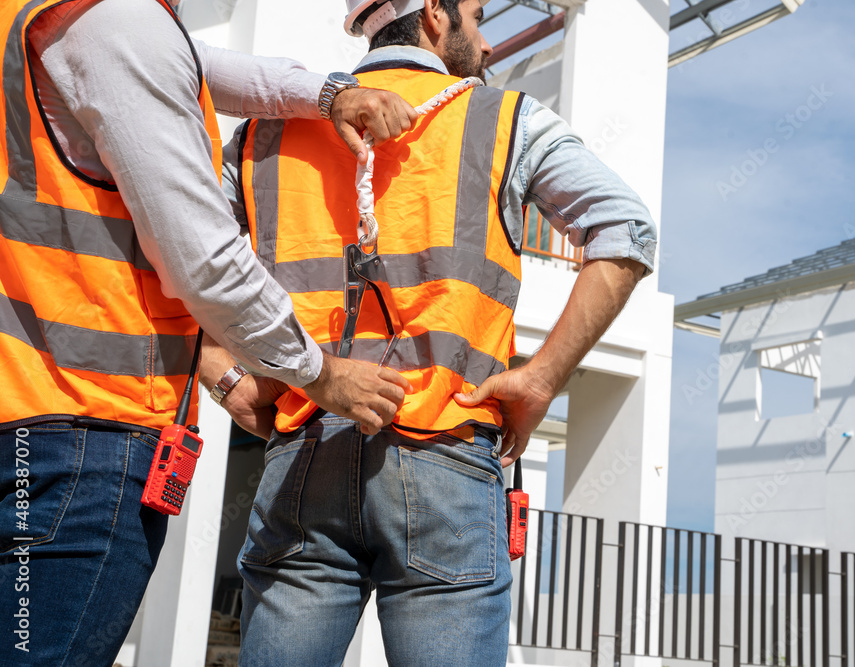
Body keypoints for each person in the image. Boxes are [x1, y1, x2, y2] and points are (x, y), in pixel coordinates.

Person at [208, 0, 658, 663]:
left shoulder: (261, 136)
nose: (487, 42)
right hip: (445, 450)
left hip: (304, 450)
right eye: (477, 15)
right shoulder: (504, 120)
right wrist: (541, 378)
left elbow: (168, 251)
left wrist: (221, 371)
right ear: (434, 18)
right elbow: (628, 230)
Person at [0, 0, 418, 664]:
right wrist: (319, 374)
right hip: (83, 439)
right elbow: (204, 261)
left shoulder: (36, 22)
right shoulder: (119, 22)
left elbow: (203, 68)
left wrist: (329, 93)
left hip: (30, 421)